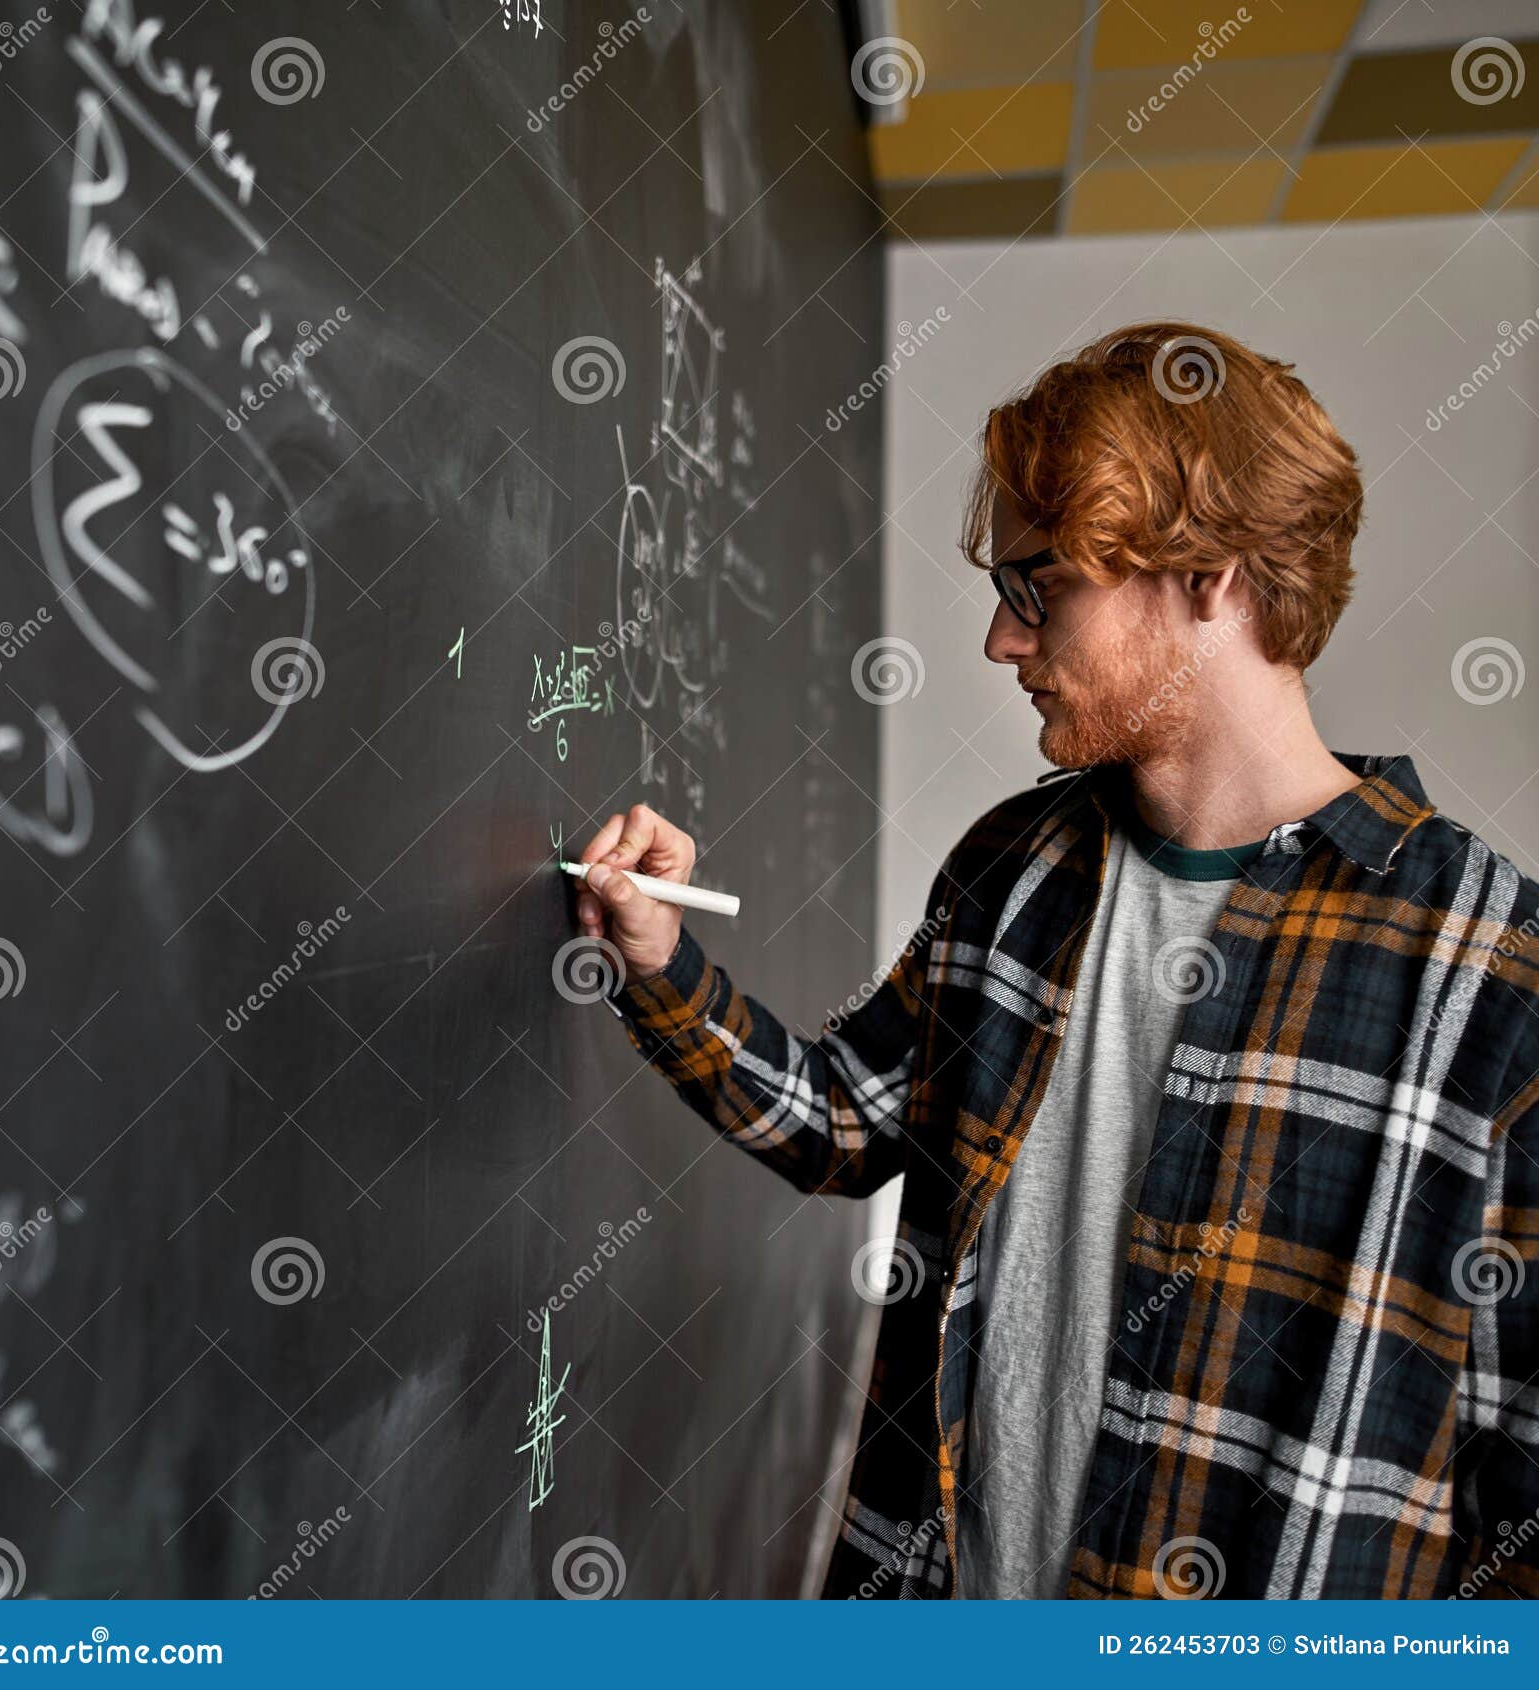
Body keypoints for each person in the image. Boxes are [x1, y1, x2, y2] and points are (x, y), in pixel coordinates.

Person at [571, 322, 1539, 1601]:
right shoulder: (1010, 868)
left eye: (1040, 586)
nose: (1001, 640)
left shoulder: (1485, 967)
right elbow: (841, 1124)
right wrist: (654, 954)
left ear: (1210, 576)